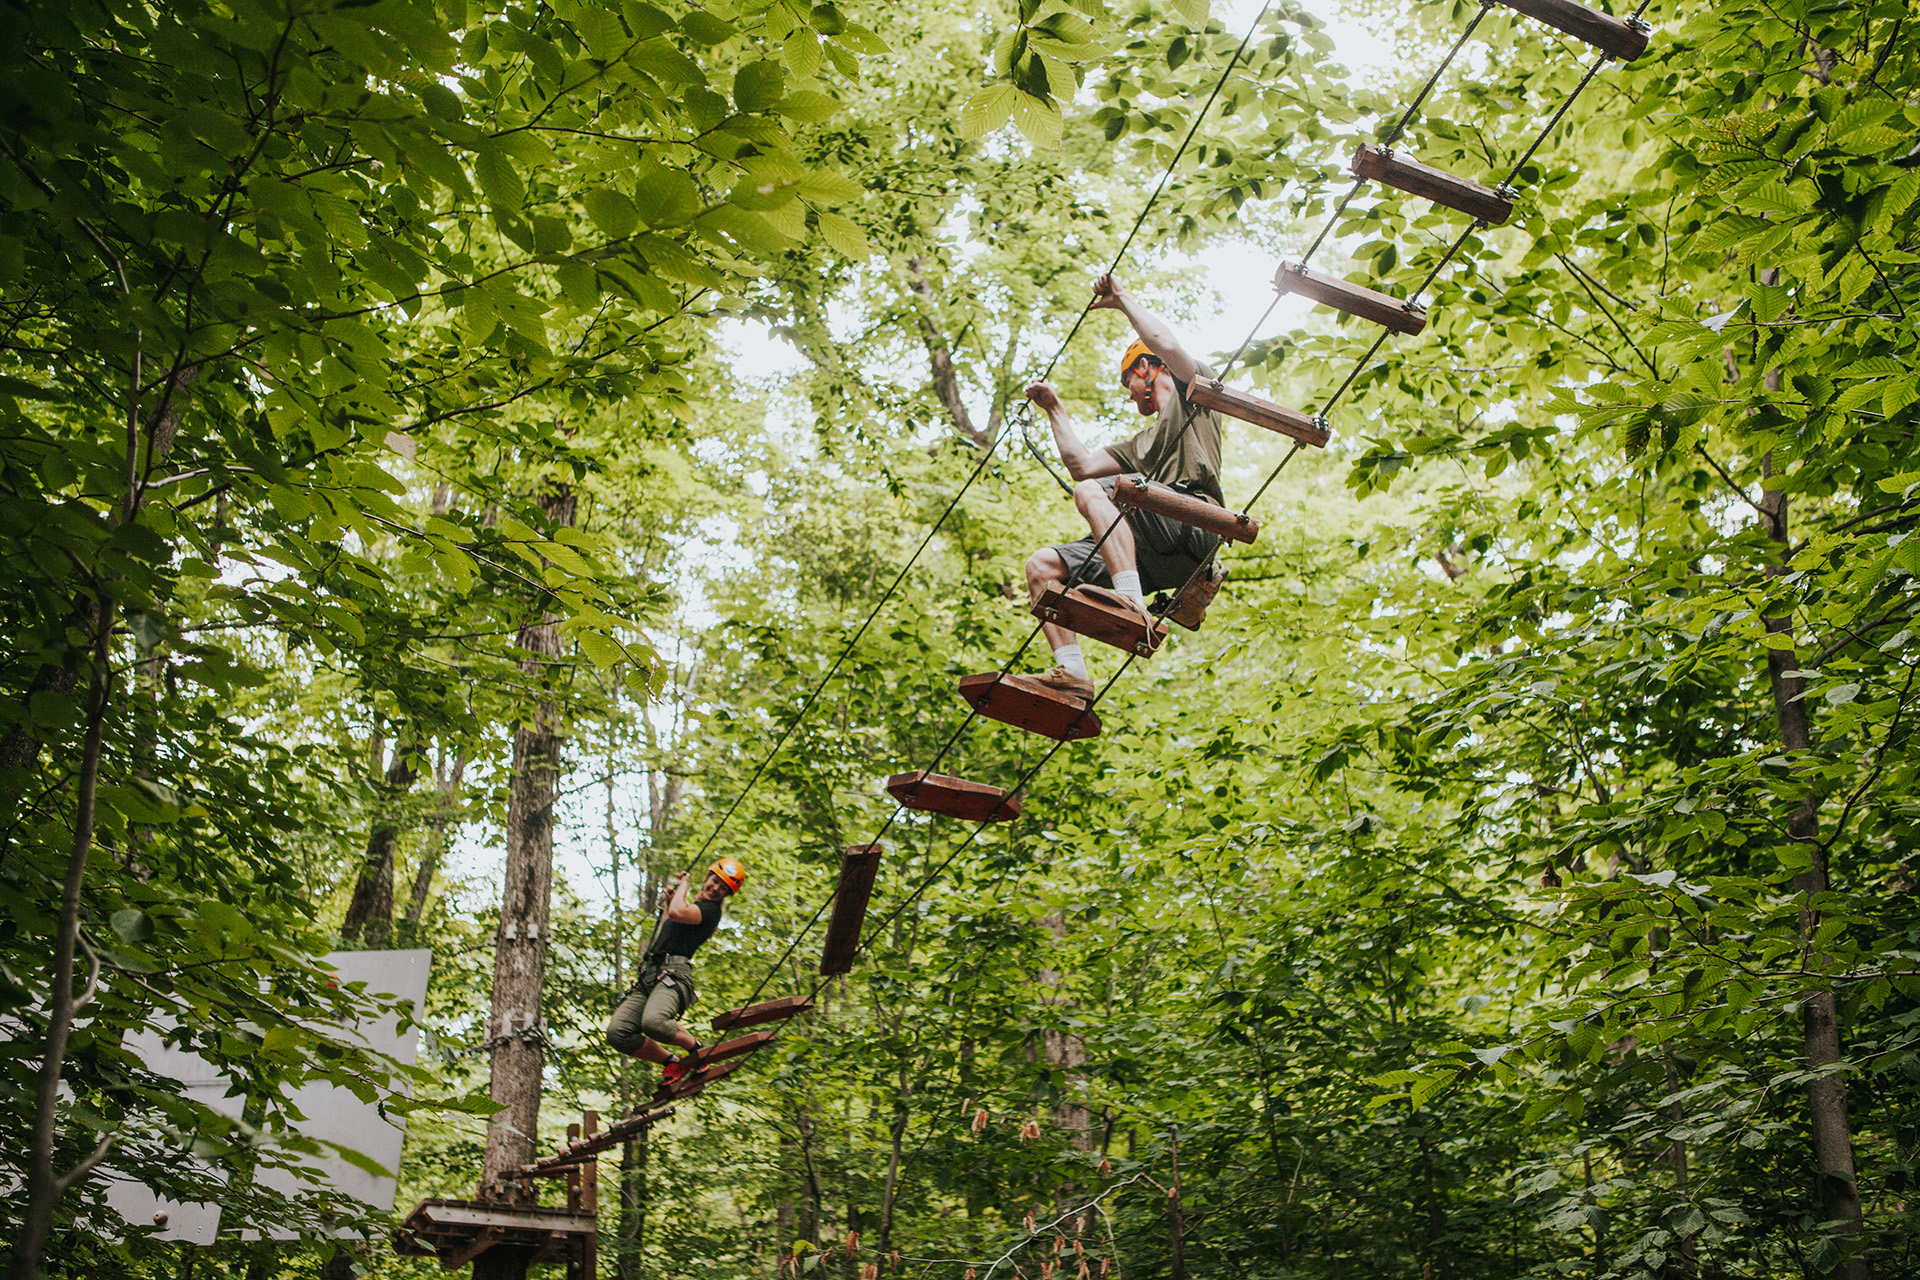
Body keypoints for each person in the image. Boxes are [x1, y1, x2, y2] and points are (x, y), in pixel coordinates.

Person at [1022, 273, 1229, 700]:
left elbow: (1167, 345)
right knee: (1041, 567)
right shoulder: (1141, 444)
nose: (1131, 398)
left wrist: (1122, 300)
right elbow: (1082, 465)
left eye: (1129, 385)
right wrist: (1054, 408)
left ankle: (1131, 603)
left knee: (1096, 491)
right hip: (1152, 548)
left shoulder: (1197, 392)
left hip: (1194, 522)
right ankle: (1072, 675)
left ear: (1145, 368)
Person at [606, 857, 746, 1084]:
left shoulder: (710, 911)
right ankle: (671, 1062)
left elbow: (677, 913)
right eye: (715, 881)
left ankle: (697, 1050)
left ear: (726, 895)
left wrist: (683, 885)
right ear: (708, 877)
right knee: (618, 1033)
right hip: (651, 975)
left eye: (723, 888)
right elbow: (666, 927)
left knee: (653, 1023)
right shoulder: (691, 907)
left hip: (673, 975)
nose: (716, 888)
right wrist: (671, 901)